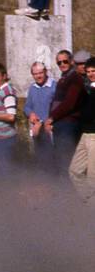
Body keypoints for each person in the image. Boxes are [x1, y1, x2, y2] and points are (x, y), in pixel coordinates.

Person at [47, 50, 87, 166]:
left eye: (65, 61)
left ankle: (67, 184)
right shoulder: (63, 79)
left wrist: (51, 118)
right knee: (59, 159)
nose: (62, 64)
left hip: (69, 124)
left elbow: (69, 103)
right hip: (60, 123)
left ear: (71, 61)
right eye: (59, 62)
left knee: (66, 160)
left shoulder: (75, 78)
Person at [70, 58, 95, 204]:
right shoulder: (88, 87)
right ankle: (89, 201)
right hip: (85, 134)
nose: (91, 74)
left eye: (94, 71)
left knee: (92, 175)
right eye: (88, 72)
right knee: (75, 171)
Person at [24, 61, 57, 168]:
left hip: (51, 128)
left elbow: (60, 107)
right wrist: (31, 114)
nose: (38, 76)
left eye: (40, 73)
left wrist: (51, 120)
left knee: (53, 158)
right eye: (35, 74)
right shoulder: (32, 88)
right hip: (37, 128)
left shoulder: (54, 86)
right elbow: (27, 106)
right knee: (39, 158)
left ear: (45, 72)